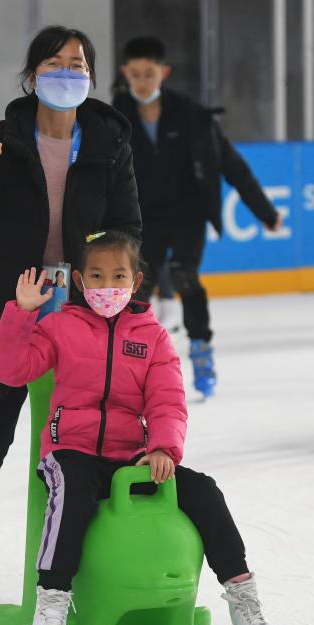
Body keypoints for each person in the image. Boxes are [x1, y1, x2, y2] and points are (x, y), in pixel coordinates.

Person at [0, 230, 282, 625]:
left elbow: (167, 399)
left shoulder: (152, 337)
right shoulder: (60, 326)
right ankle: (51, 606)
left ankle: (243, 598)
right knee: (72, 491)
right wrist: (22, 313)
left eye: (118, 275)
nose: (108, 286)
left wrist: (164, 449)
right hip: (72, 451)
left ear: (136, 280)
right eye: (97, 275)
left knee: (203, 490)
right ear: (82, 282)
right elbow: (10, 371)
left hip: (131, 456)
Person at [0, 26, 141, 600]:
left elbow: (128, 229)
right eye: (55, 63)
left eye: (78, 64)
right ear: (32, 75)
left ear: (91, 77)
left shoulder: (109, 141)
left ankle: (79, 565)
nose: (67, 73)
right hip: (7, 303)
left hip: (84, 312)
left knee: (85, 439)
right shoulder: (5, 138)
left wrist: (113, 291)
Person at [113, 36, 282, 399]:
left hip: (187, 215)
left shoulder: (191, 115)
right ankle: (132, 360)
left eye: (150, 74)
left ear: (164, 72)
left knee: (185, 277)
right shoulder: (114, 120)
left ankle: (202, 349)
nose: (142, 82)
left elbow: (232, 165)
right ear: (125, 73)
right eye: (136, 74)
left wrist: (264, 212)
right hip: (140, 220)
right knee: (137, 289)